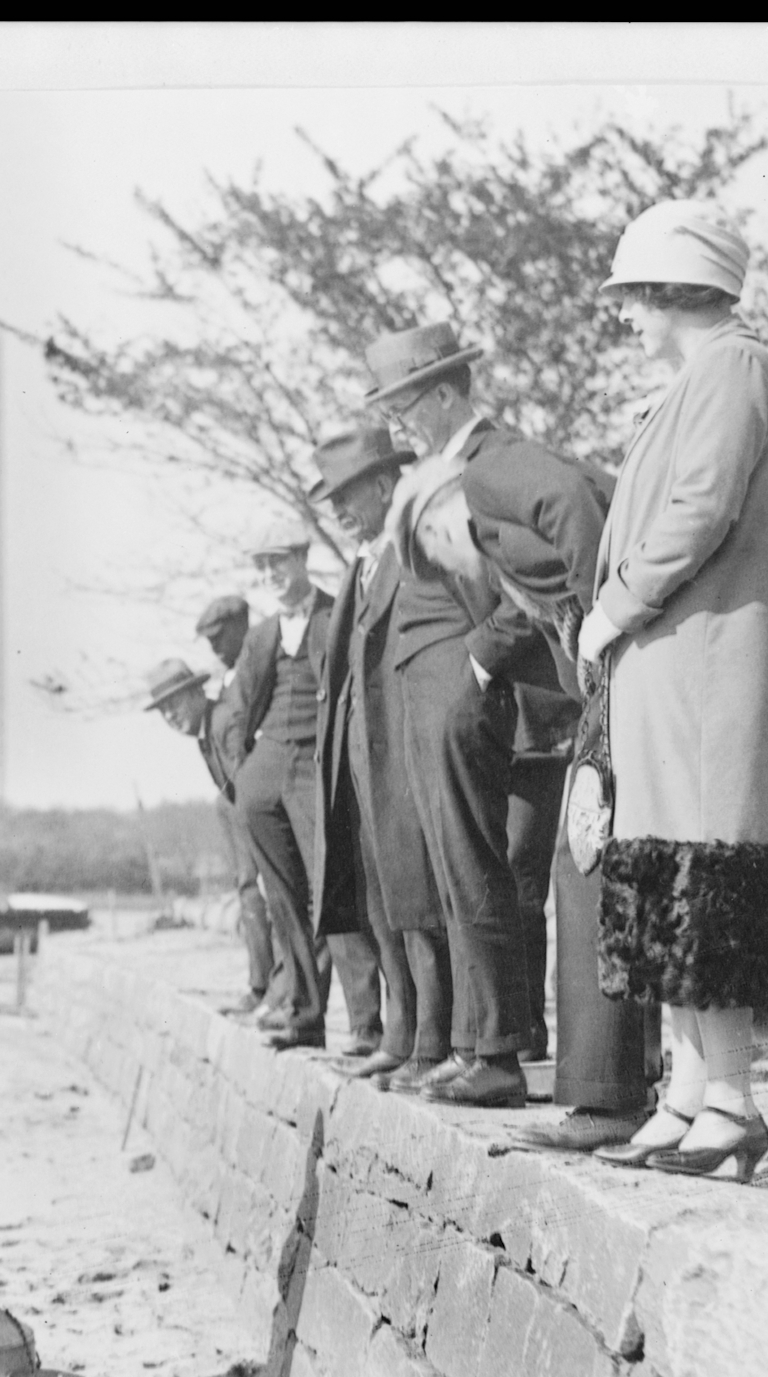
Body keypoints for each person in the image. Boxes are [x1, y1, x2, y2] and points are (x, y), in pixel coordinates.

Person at [579, 199, 768, 1182]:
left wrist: (615, 606)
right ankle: (687, 1091)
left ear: (676, 289)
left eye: (635, 297)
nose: (628, 316)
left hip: (706, 664)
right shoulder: (695, 380)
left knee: (709, 881)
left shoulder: (735, 367)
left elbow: (699, 508)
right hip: (669, 669)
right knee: (673, 883)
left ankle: (732, 1100)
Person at [411, 417, 664, 1152]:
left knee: (583, 858)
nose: (455, 564)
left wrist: (600, 618)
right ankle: (624, 1085)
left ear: (439, 512)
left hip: (634, 659)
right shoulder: (506, 539)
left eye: (435, 546)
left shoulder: (489, 477)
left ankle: (606, 1101)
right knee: (612, 859)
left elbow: (569, 507)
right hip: (640, 663)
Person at [368, 322, 585, 1102]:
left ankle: (497, 1050)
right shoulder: (432, 474)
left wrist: (478, 659)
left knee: (486, 867)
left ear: (446, 392)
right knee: (460, 868)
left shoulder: (495, 461)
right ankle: (482, 1039)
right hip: (438, 696)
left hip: (486, 690)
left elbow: (542, 575)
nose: (397, 423)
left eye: (405, 405)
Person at [304, 422, 451, 1086]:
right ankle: (399, 1028)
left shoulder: (420, 551)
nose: (337, 510)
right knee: (375, 896)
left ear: (388, 484)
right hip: (358, 757)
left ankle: (431, 1039)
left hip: (404, 747)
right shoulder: (361, 565)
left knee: (416, 896)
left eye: (349, 493)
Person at [221, 524, 386, 1056]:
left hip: (318, 761)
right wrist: (244, 776)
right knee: (283, 896)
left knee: (334, 886)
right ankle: (304, 1012)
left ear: (302, 560)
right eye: (263, 567)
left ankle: (365, 1024)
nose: (272, 576)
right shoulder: (262, 633)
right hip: (268, 761)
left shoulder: (334, 612)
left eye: (280, 563)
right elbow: (239, 710)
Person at [194, 593, 291, 1021]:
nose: (215, 648)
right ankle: (267, 986)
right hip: (243, 800)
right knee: (252, 892)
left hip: (267, 796)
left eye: (220, 637)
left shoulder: (258, 667)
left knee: (276, 897)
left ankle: (280, 991)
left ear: (242, 627)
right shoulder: (230, 683)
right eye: (209, 641)